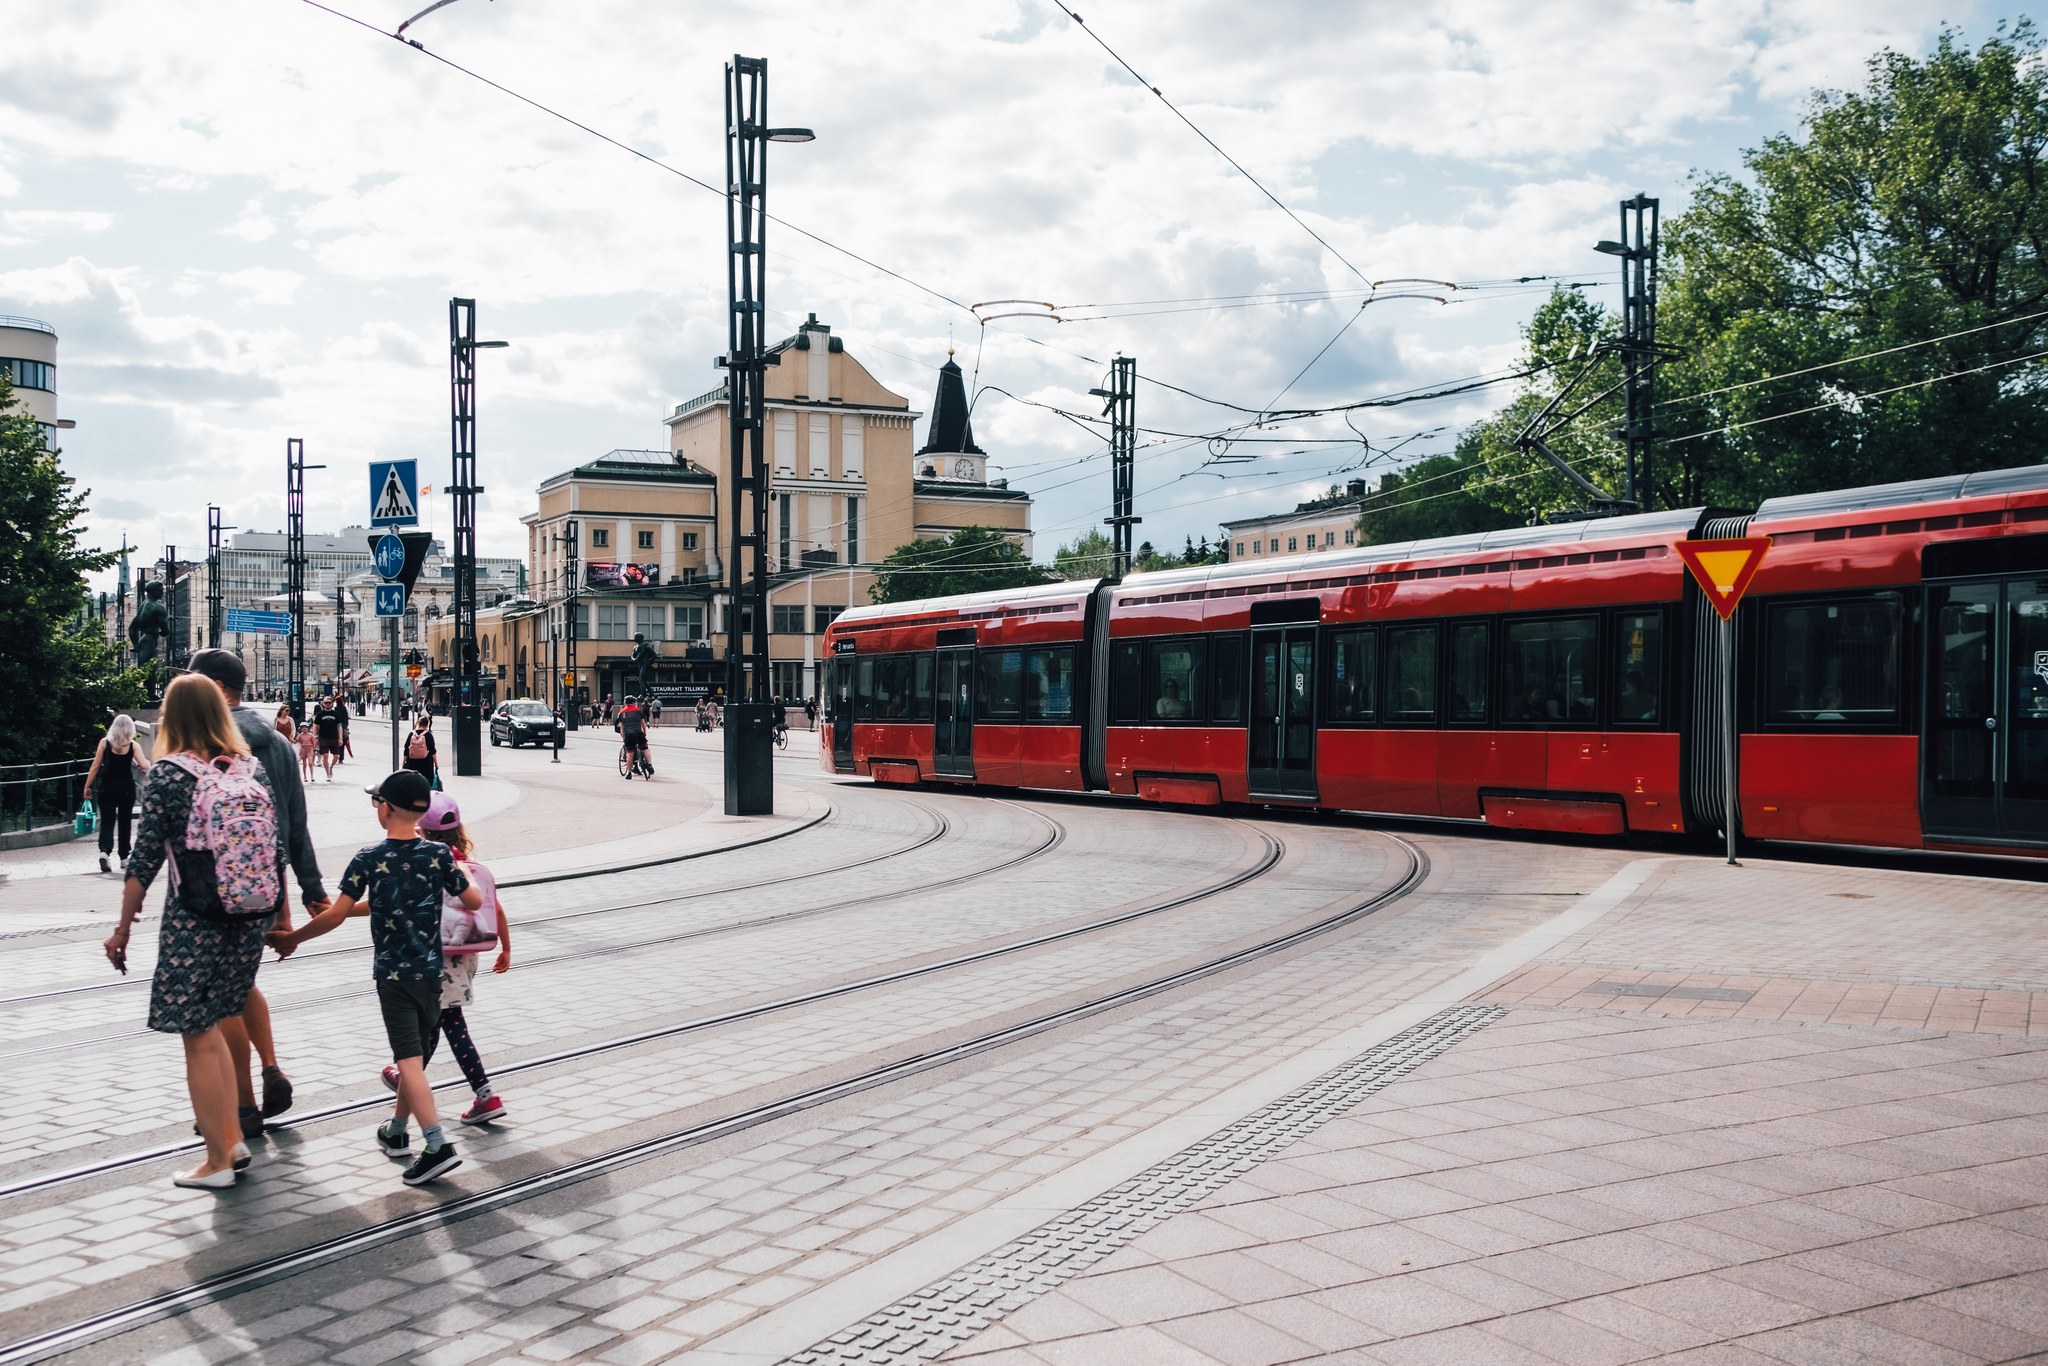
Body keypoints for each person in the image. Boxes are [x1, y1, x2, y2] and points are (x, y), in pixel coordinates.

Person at [102, 674, 284, 1190]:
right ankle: (232, 1138)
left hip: (196, 919)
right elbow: (277, 846)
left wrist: (122, 928)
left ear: (172, 716)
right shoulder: (251, 768)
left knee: (197, 1035)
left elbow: (144, 860)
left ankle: (219, 1159)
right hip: (251, 914)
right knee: (224, 1016)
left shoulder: (169, 773)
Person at [267, 769, 480, 1186]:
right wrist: (459, 875)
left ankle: (437, 1145)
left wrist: (293, 938)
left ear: (385, 810)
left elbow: (334, 915)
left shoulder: (370, 858)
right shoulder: (437, 856)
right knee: (414, 1058)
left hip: (394, 978)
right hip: (431, 974)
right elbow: (471, 899)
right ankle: (396, 1131)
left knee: (408, 1063)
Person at [190, 648, 329, 1130]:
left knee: (218, 993)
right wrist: (311, 889)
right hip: (268, 884)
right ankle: (270, 1068)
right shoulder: (278, 742)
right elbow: (296, 823)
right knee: (242, 983)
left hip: (219, 888)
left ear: (217, 689)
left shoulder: (206, 742)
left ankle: (243, 1106)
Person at [383, 792, 513, 1125]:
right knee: (441, 1020)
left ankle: (478, 1093)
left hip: (432, 957)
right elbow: (493, 908)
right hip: (466, 956)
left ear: (420, 830)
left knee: (443, 1022)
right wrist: (506, 947)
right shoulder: (467, 865)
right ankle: (411, 1076)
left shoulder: (426, 861)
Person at [84, 715, 149, 874]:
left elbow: (95, 766)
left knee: (107, 821)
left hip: (107, 787)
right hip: (126, 788)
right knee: (125, 822)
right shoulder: (133, 746)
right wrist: (143, 766)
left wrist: (87, 786)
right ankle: (124, 858)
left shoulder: (104, 743)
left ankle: (104, 852)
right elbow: (144, 765)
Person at [616, 695, 652, 775]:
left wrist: (623, 737)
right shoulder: (638, 710)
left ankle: (629, 773)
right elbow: (643, 723)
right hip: (638, 733)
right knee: (645, 748)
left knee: (630, 753)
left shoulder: (621, 713)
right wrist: (644, 733)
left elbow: (621, 728)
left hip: (628, 735)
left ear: (625, 703)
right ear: (633, 702)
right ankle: (649, 765)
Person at [313, 697, 344, 783]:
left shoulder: (336, 714)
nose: (327, 704)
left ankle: (331, 767)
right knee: (325, 755)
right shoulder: (319, 714)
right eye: (326, 703)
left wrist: (340, 737)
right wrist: (314, 737)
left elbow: (339, 726)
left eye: (329, 703)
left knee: (336, 756)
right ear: (323, 704)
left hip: (334, 737)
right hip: (323, 737)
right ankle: (327, 774)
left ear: (332, 703)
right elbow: (315, 726)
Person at [404, 714, 438, 789]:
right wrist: (436, 763)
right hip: (426, 764)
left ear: (418, 723)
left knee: (413, 784)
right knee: (426, 784)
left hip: (412, 763)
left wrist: (404, 762)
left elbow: (406, 749)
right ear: (427, 725)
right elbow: (433, 751)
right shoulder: (428, 735)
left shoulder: (411, 734)